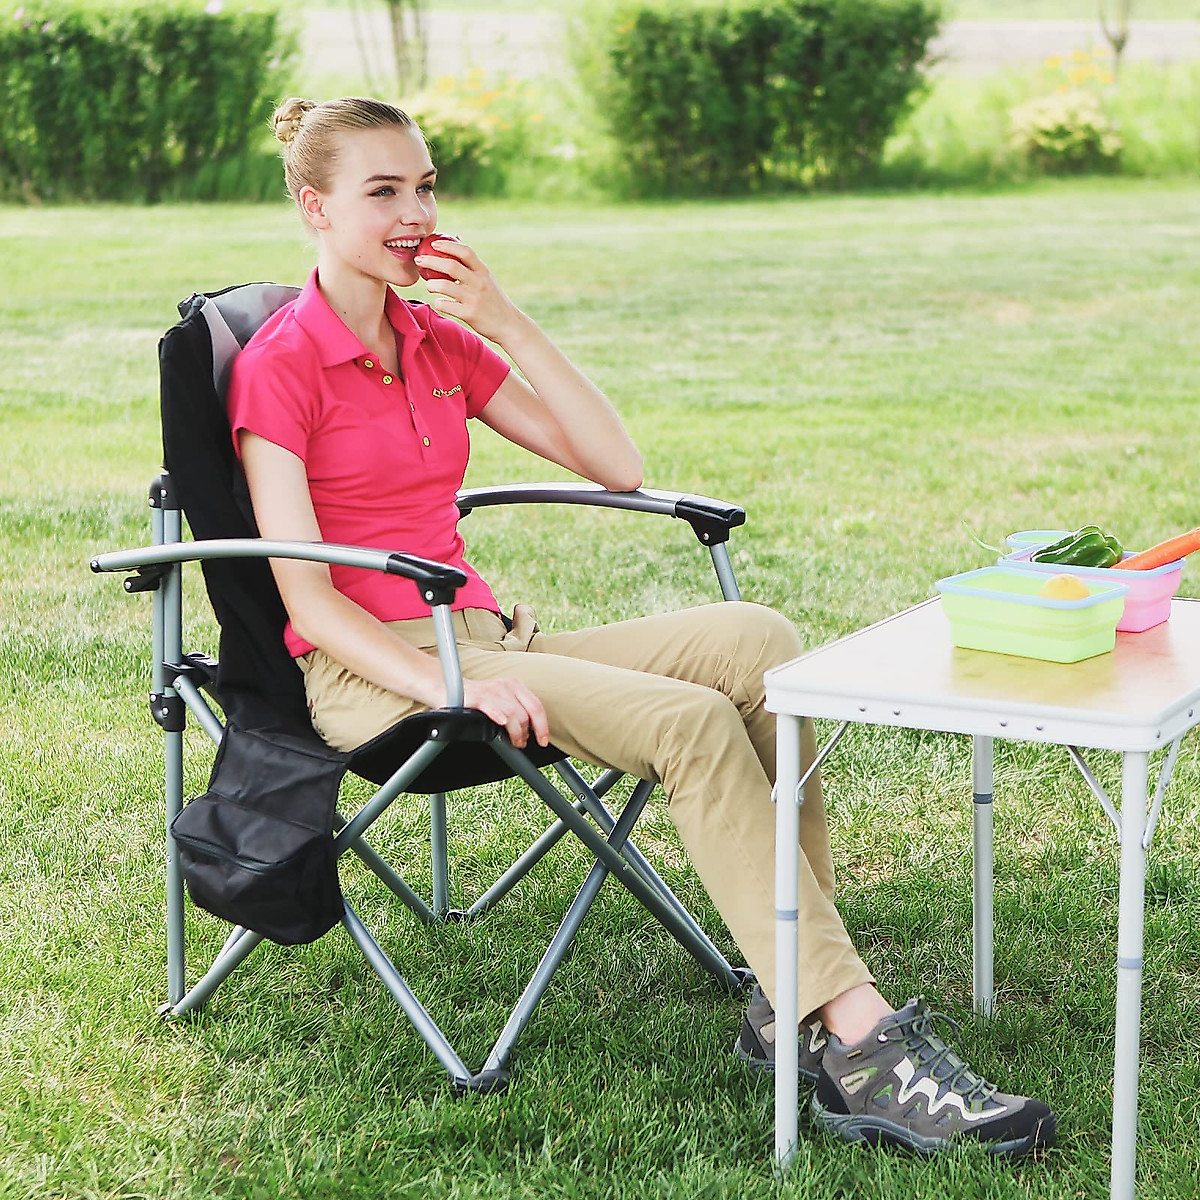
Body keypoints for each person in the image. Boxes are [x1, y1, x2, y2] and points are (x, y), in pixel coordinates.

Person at [227, 95, 1056, 1157]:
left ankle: (788, 998)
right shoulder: (281, 364)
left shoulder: (435, 342)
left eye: (424, 186)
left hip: (488, 638)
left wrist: (505, 319)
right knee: (689, 722)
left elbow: (615, 465)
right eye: (382, 192)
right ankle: (858, 1037)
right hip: (380, 673)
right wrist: (453, 685)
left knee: (760, 641)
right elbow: (308, 599)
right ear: (314, 207)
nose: (415, 213)